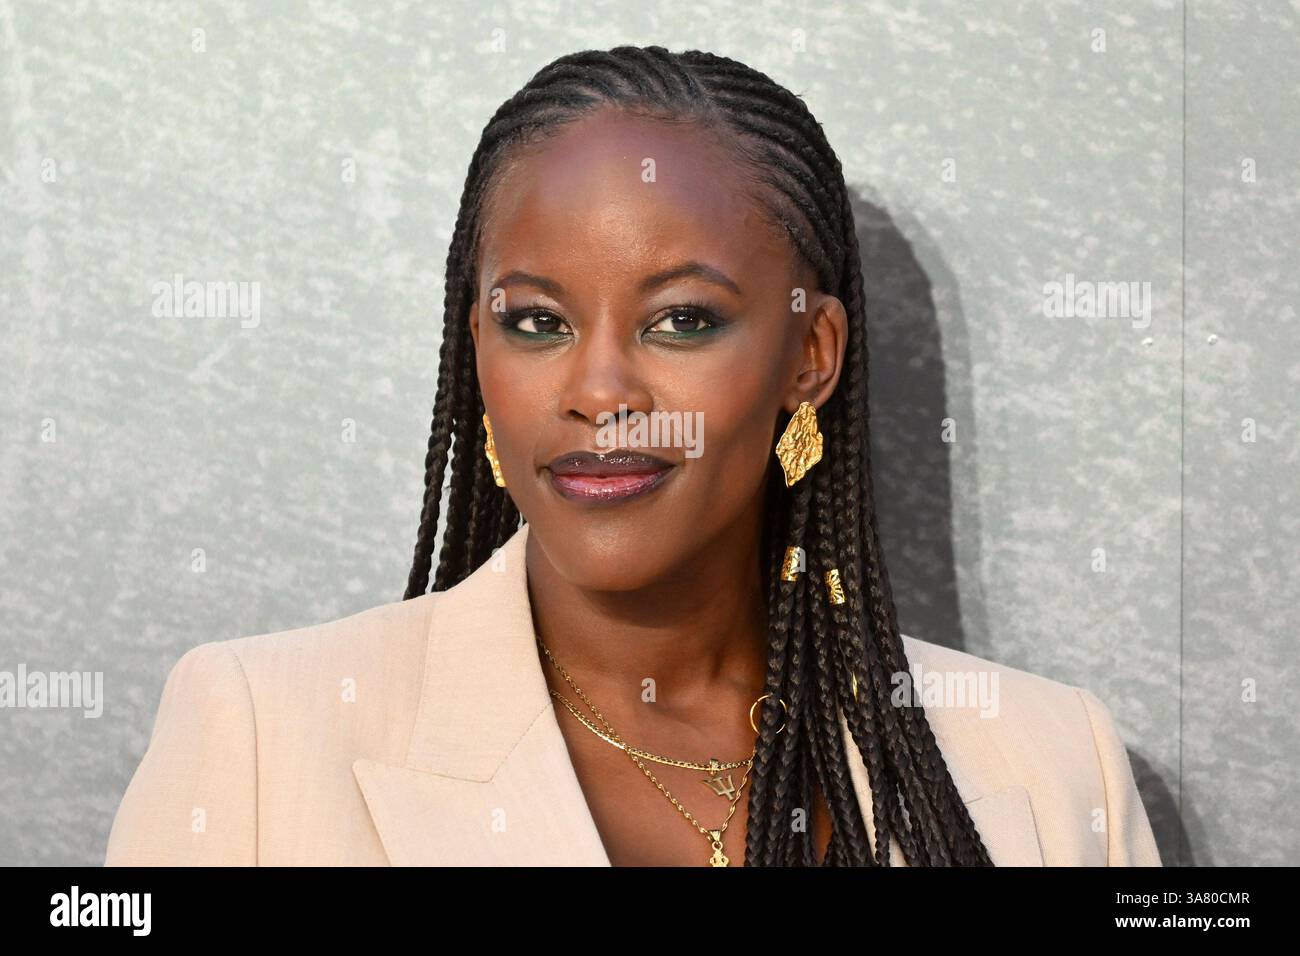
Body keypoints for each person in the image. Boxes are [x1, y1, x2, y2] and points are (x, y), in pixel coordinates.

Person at [105, 44, 1161, 867]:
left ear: (808, 353)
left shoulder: (1048, 759)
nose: (599, 392)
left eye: (682, 320)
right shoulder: (256, 731)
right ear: (472, 345)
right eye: (534, 323)